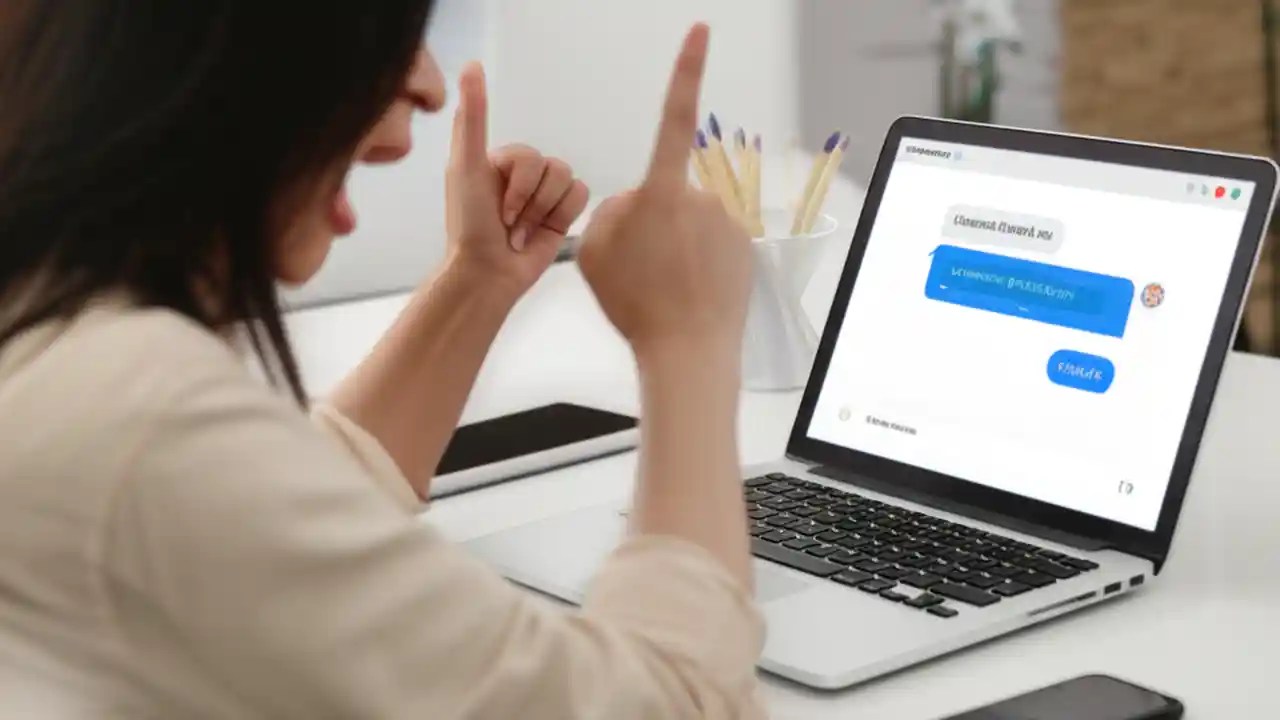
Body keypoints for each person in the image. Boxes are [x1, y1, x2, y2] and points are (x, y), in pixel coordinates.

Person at [0, 3, 764, 718]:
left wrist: (478, 282)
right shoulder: (139, 430)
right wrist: (688, 340)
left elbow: (267, 506)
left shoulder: (67, 352)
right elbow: (671, 699)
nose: (428, 85)